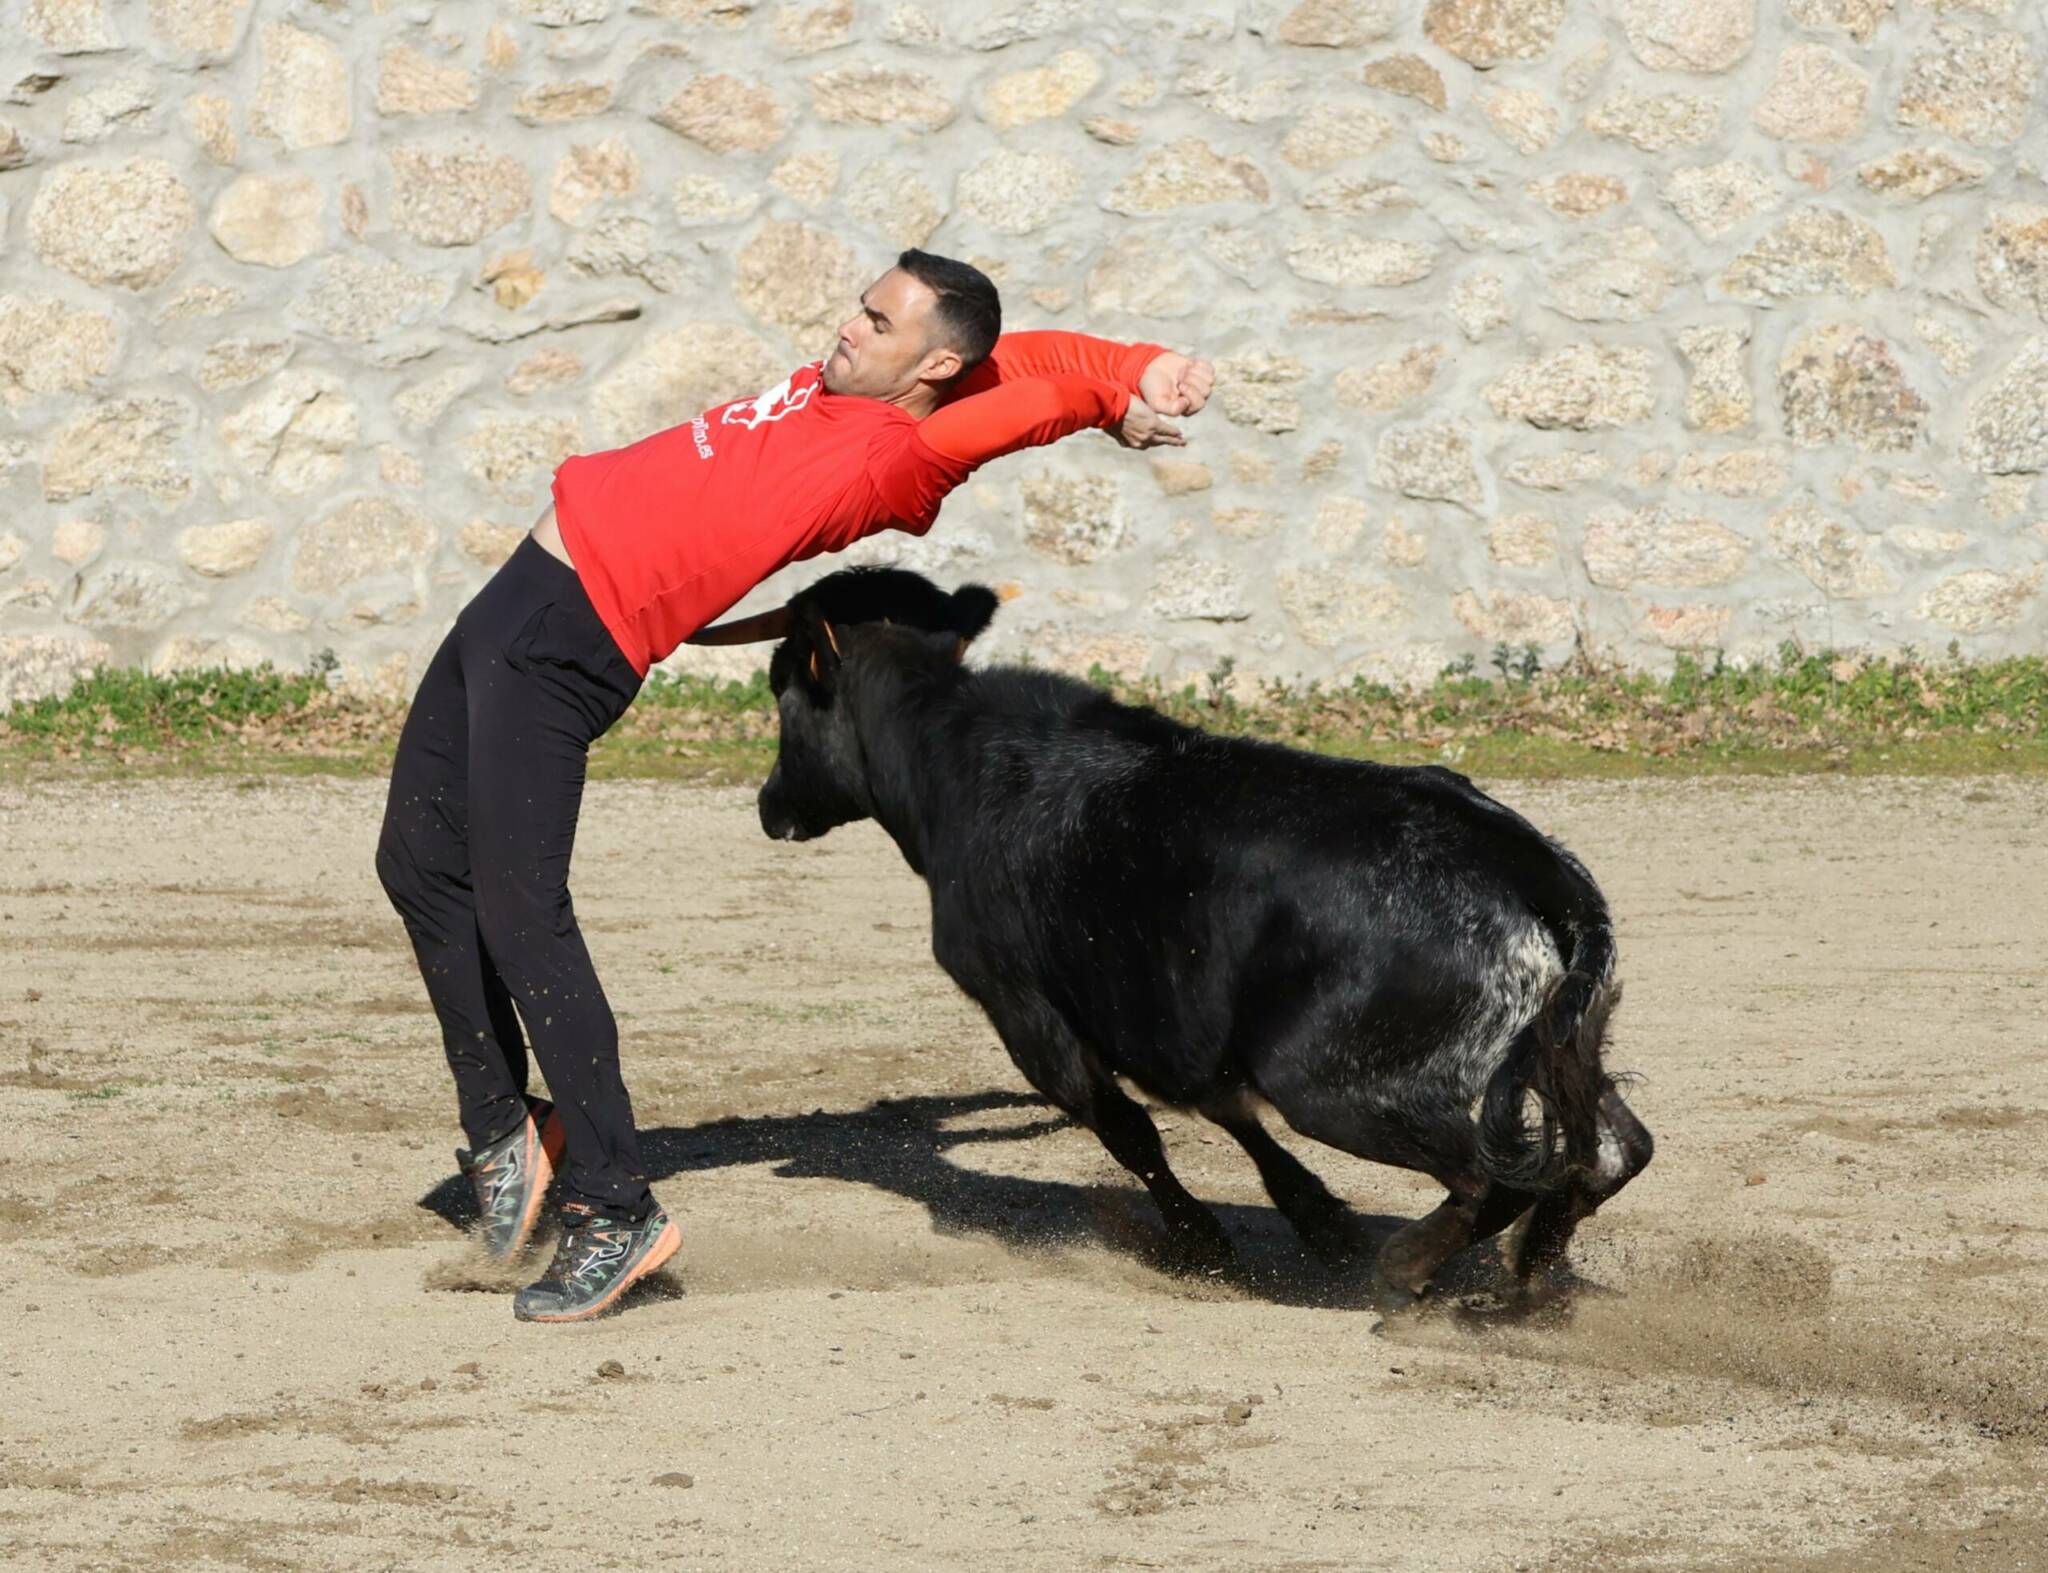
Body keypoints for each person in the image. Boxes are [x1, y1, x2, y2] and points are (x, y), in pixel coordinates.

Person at [375, 248, 1215, 1322]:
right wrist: (1135, 361)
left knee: (524, 917)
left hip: (572, 642)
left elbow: (1011, 404)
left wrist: (1108, 401)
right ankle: (507, 1127)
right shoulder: (849, 386)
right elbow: (1023, 360)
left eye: (878, 319)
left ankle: (612, 1203)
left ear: (933, 365)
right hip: (521, 595)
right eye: (861, 307)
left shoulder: (898, 461)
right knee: (415, 860)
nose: (849, 326)